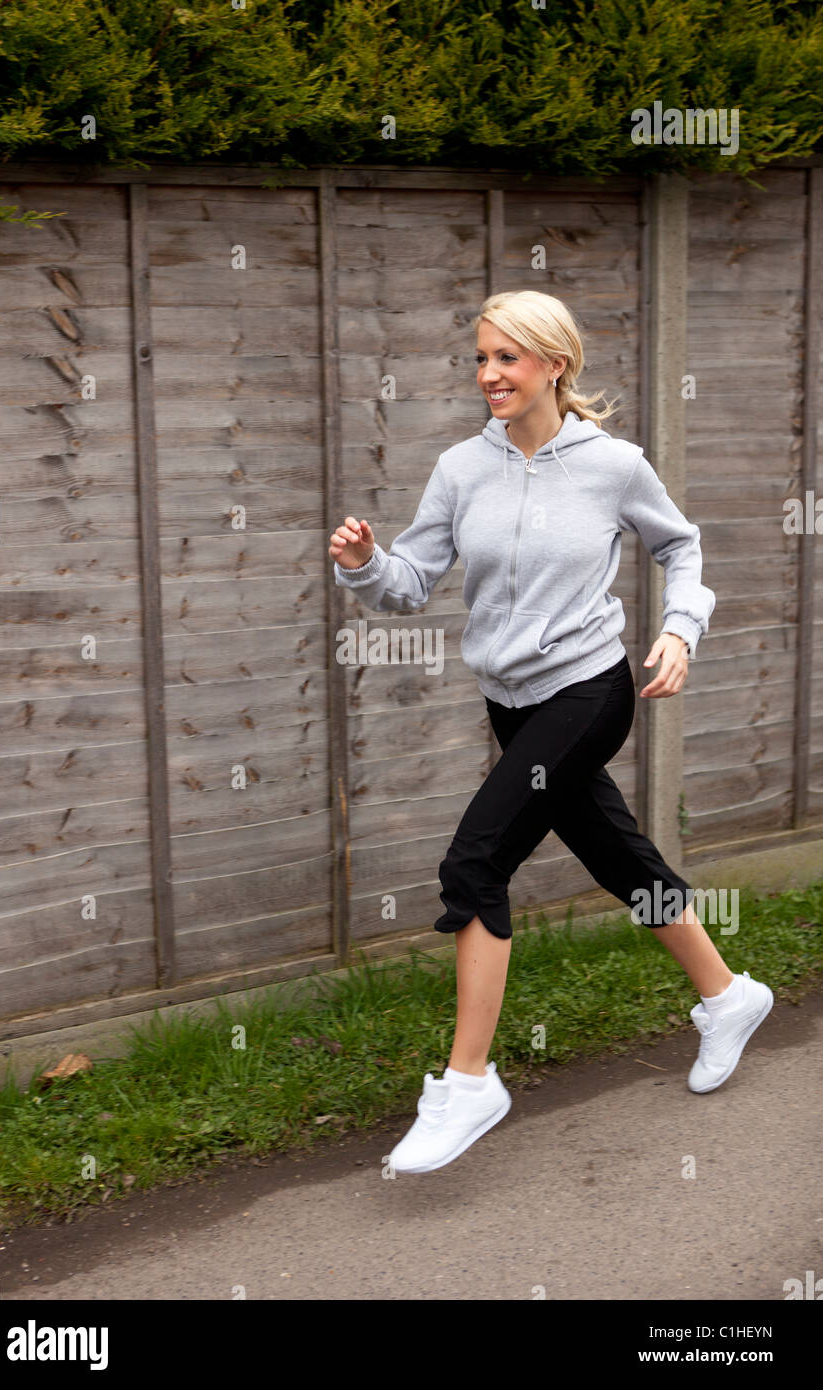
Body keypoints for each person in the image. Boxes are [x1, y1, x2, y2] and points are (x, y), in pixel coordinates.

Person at [328, 289, 773, 1176]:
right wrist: (369, 564)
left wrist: (680, 629)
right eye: (482, 359)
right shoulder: (461, 469)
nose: (489, 375)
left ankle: (468, 1084)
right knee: (616, 855)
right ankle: (728, 996)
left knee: (475, 863)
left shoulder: (613, 466)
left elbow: (681, 547)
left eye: (508, 359)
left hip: (589, 690)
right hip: (511, 700)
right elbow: (412, 580)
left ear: (553, 364)